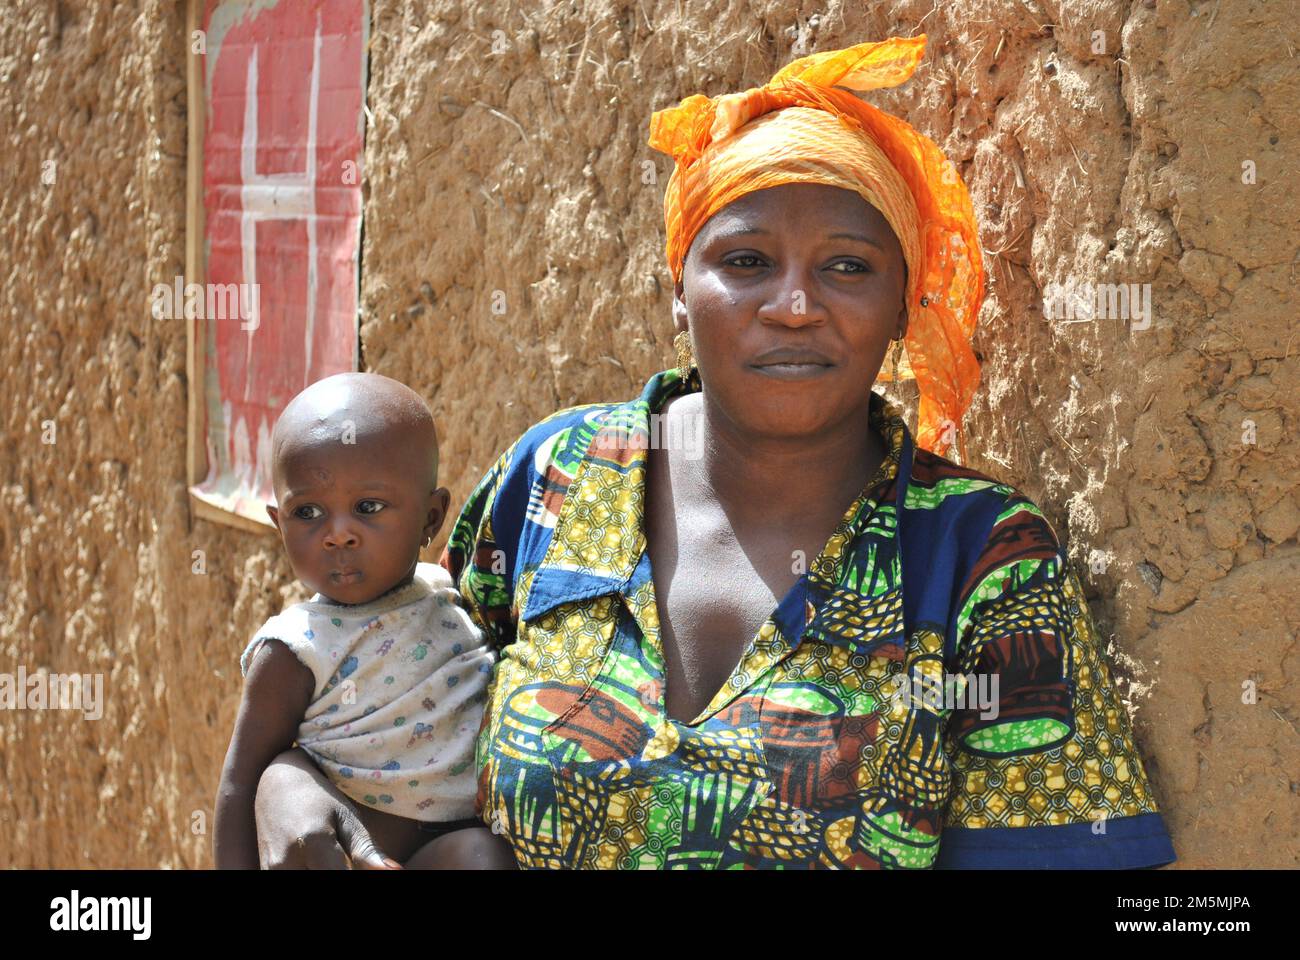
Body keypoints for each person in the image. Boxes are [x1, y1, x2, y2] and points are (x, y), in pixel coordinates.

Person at [253, 36, 1177, 869]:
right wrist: (285, 779)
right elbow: (398, 695)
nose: (794, 305)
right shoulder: (556, 478)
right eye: (744, 262)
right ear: (678, 289)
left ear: (906, 305)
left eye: (848, 267)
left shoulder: (979, 559)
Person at [214, 372, 514, 869]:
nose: (338, 535)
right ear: (279, 524)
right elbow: (240, 783)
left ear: (431, 518)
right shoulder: (294, 648)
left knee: (485, 859)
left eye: (368, 507)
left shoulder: (446, 596)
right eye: (307, 512)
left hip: (449, 850)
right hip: (352, 855)